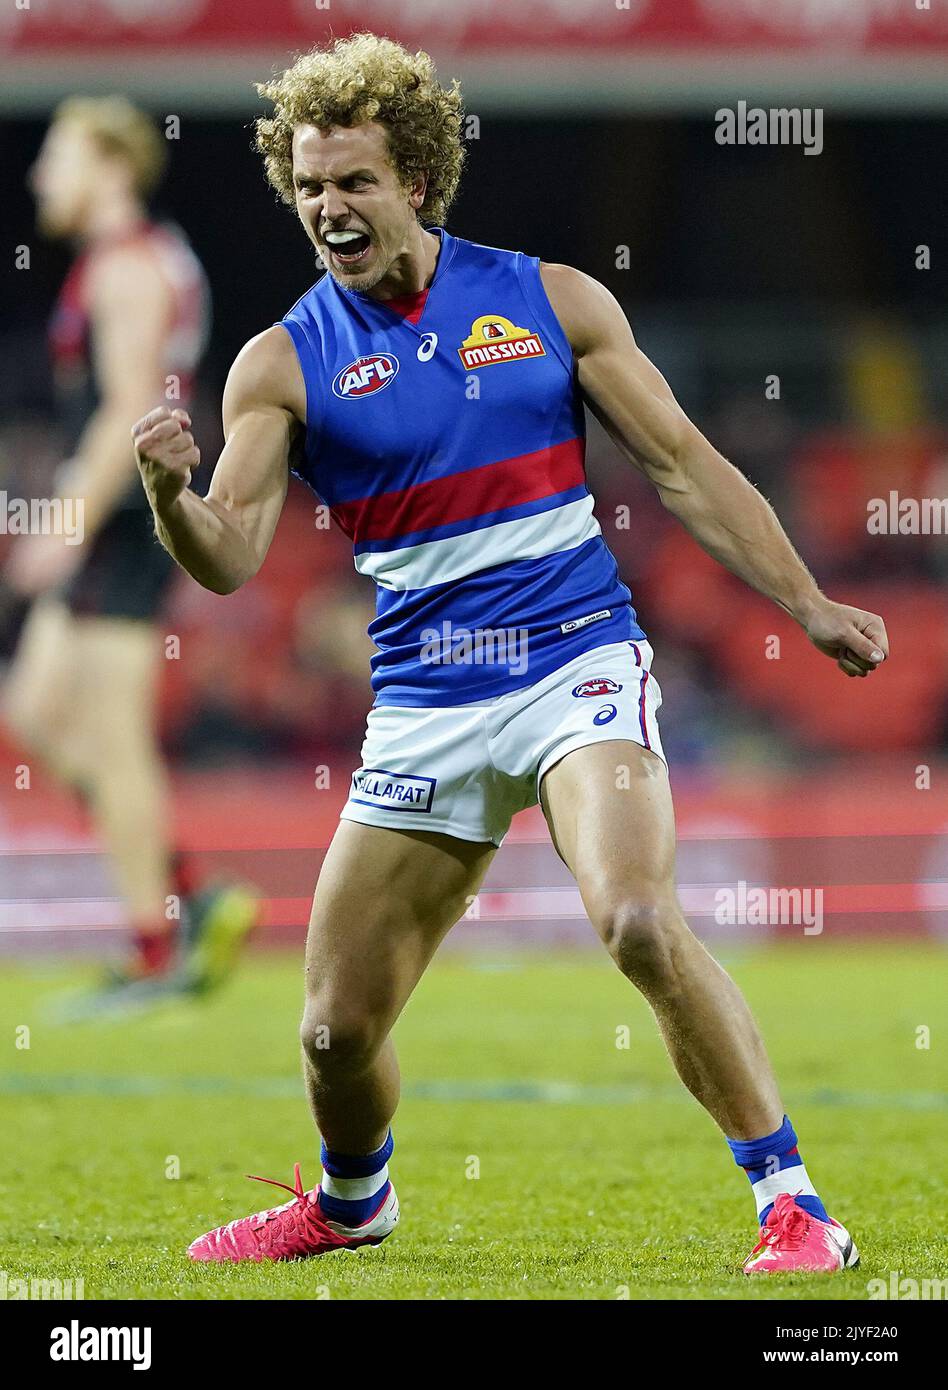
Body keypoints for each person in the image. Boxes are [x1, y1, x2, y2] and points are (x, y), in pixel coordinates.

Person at [131, 35, 887, 1271]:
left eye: (356, 182)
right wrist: (170, 497)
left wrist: (807, 604)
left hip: (574, 662)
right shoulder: (283, 362)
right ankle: (353, 1202)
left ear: (416, 182)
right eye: (312, 185)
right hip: (426, 703)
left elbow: (687, 467)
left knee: (638, 916)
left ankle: (793, 1204)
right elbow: (229, 553)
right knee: (332, 1031)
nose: (331, 207)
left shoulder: (552, 299)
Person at [1, 97, 257, 1007]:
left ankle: (158, 951)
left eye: (58, 157)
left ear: (110, 165)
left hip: (125, 526)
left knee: (111, 741)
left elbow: (127, 410)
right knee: (33, 709)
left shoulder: (129, 269)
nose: (40, 177)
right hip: (116, 522)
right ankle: (188, 900)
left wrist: (64, 523)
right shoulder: (135, 262)